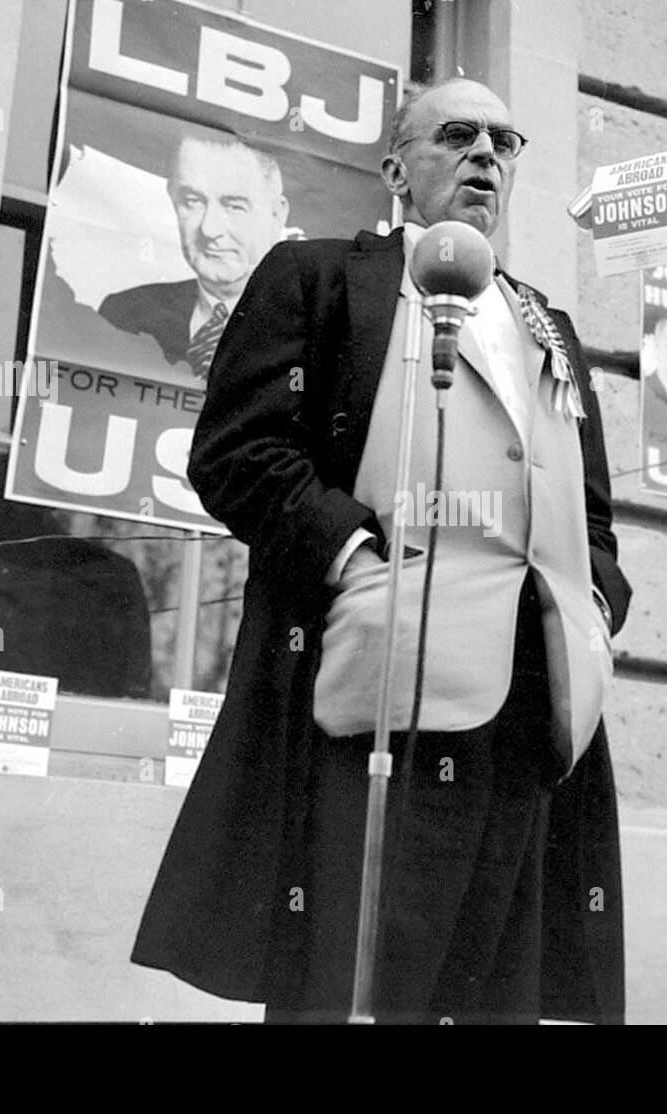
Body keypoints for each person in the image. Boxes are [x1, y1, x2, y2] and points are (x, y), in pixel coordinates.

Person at [130, 77, 632, 1025]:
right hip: (377, 694)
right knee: (359, 989)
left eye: (505, 141)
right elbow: (239, 452)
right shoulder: (316, 277)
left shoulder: (547, 325)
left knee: (492, 1003)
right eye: (458, 134)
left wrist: (594, 611)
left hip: (533, 709)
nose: (487, 153)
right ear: (398, 169)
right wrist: (357, 560)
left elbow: (593, 516)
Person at [98, 133, 290, 379]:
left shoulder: (309, 334)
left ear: (276, 215)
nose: (210, 229)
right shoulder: (124, 312)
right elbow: (47, 379)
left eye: (234, 206)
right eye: (192, 201)